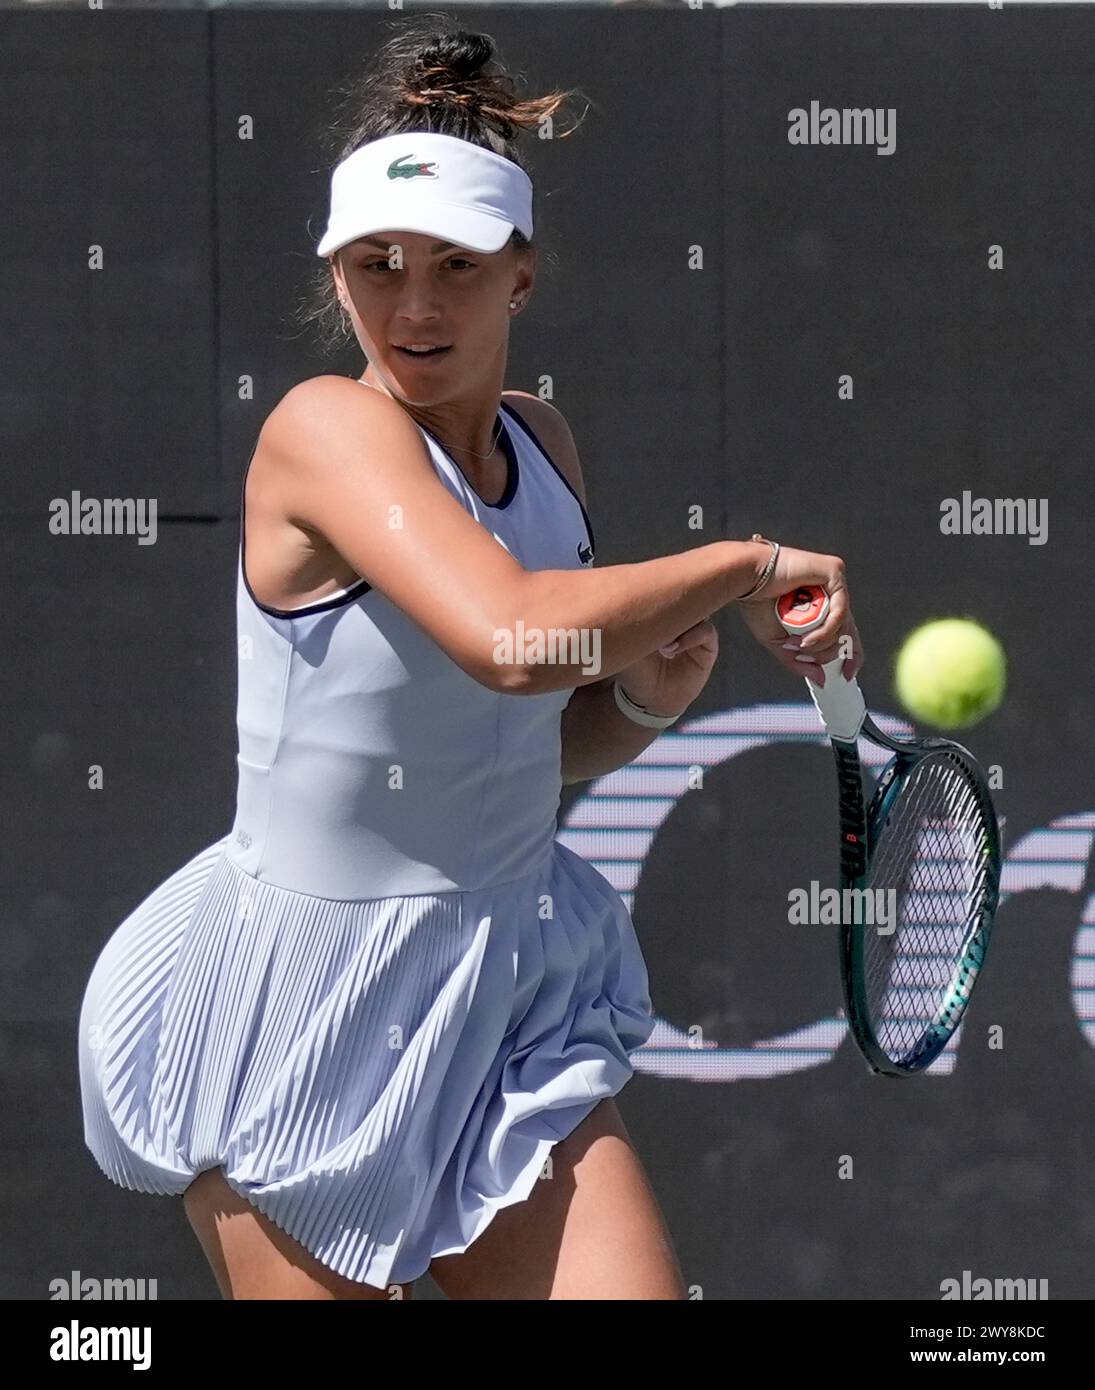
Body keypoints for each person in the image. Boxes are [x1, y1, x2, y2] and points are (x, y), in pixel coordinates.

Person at [77, 19, 863, 1301]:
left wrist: (641, 710)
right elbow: (508, 641)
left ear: (523, 279)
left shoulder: (541, 446)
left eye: (456, 263)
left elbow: (509, 755)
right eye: (378, 265)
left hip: (506, 991)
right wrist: (751, 562)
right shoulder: (322, 430)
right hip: (304, 1014)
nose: (417, 303)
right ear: (337, 281)